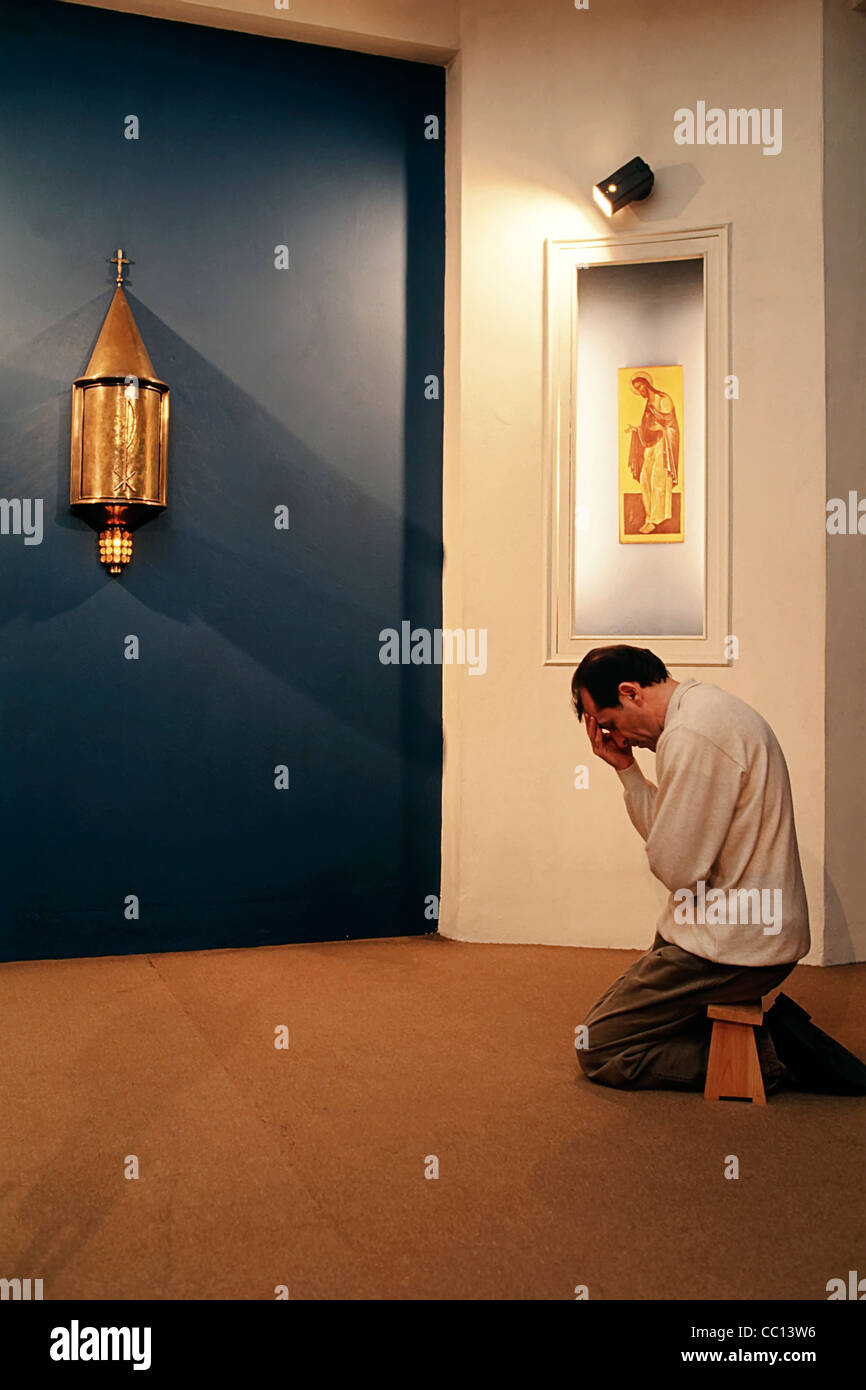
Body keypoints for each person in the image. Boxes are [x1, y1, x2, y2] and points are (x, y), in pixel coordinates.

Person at [571, 644, 866, 1095]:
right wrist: (627, 771)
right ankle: (758, 1041)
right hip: (741, 934)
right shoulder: (704, 712)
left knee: (598, 1045)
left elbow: (676, 867)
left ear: (630, 692)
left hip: (732, 947)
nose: (620, 738)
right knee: (629, 1010)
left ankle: (767, 1058)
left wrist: (667, 847)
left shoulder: (693, 736)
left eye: (611, 724)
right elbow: (673, 839)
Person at [625, 374, 679, 534]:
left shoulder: (663, 399)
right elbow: (648, 426)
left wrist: (660, 428)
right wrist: (636, 429)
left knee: (657, 479)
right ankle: (648, 516)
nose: (640, 390)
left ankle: (655, 519)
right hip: (651, 445)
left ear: (647, 384)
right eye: (637, 389)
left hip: (663, 444)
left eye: (641, 386)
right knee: (644, 478)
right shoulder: (648, 404)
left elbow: (671, 425)